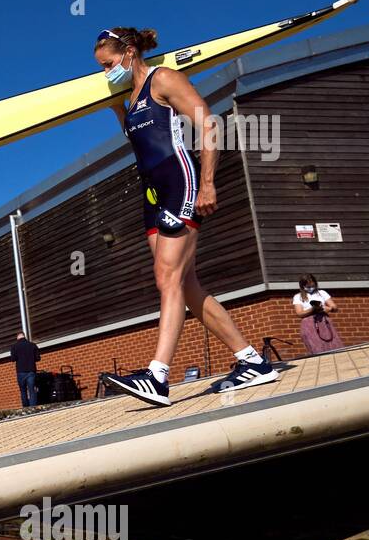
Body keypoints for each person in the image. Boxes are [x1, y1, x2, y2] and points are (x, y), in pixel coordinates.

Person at [93, 26, 277, 406]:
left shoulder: (164, 79)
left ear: (129, 52)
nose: (105, 73)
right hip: (151, 192)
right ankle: (252, 361)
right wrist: (117, 110)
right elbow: (141, 140)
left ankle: (158, 375)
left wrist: (208, 183)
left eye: (108, 64)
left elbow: (209, 123)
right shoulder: (131, 97)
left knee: (168, 276)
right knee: (185, 285)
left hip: (180, 181)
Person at [293, 274, 345, 354]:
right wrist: (313, 309)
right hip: (309, 324)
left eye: (312, 285)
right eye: (307, 286)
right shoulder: (298, 297)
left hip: (324, 322)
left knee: (333, 344)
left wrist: (329, 308)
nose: (310, 287)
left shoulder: (322, 293)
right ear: (302, 286)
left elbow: (335, 307)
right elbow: (299, 313)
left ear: (315, 283)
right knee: (316, 347)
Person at [10, 331, 41, 407]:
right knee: (32, 390)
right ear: (24, 336)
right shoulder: (32, 345)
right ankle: (33, 407)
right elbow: (38, 358)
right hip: (31, 370)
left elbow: (13, 359)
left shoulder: (14, 346)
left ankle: (26, 408)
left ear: (17, 337)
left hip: (21, 371)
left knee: (23, 391)